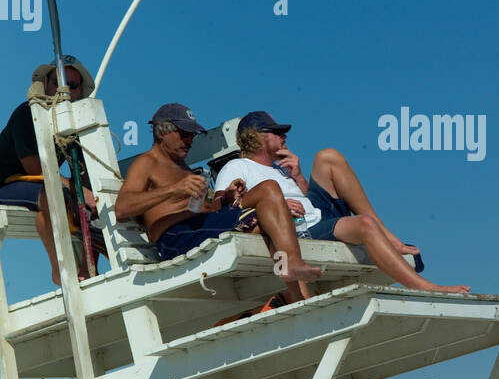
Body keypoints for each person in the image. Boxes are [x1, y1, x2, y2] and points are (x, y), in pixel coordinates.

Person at [214, 111, 470, 295]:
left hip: (317, 216)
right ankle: (425, 287)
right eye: (278, 132)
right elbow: (223, 211)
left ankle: (388, 235)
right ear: (257, 137)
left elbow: (309, 203)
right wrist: (275, 205)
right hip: (302, 230)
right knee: (365, 225)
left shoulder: (282, 169)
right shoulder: (238, 167)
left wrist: (299, 178)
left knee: (328, 156)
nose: (285, 136)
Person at [114, 103, 322, 303]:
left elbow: (206, 209)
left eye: (192, 135)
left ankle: (297, 287)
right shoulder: (147, 162)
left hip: (203, 226)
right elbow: (122, 207)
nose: (190, 140)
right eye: (184, 134)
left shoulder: (182, 167)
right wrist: (173, 189)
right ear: (162, 133)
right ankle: (296, 284)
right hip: (177, 236)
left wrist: (228, 197)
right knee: (269, 218)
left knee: (269, 191)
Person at [0, 56, 99, 284]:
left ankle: (88, 270)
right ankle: (60, 272)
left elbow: (83, 176)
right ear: (46, 82)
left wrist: (86, 194)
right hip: (5, 183)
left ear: (78, 91)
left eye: (71, 85)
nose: (63, 90)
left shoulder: (73, 128)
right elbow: (35, 170)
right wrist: (76, 189)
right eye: (57, 83)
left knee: (92, 204)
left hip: (37, 182)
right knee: (49, 194)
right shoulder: (26, 114)